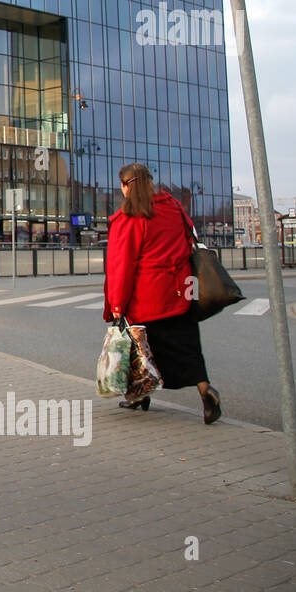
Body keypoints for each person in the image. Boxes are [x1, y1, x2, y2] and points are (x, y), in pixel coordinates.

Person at [104, 163, 221, 424]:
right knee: (187, 347)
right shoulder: (173, 207)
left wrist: (117, 305)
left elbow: (122, 266)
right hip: (180, 292)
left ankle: (138, 395)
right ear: (150, 182)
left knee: (139, 351)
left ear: (125, 186)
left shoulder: (130, 218)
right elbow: (190, 239)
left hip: (146, 298)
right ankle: (206, 391)